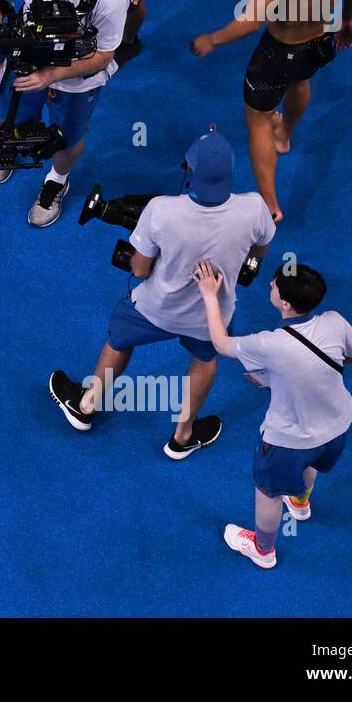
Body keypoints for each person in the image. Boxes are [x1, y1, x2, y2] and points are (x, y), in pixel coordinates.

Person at [48, 127, 275, 457]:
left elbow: (140, 270)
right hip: (211, 316)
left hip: (155, 308)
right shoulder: (255, 207)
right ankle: (182, 436)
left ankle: (85, 406)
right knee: (205, 359)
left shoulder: (161, 210)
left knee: (118, 340)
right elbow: (260, 250)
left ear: (190, 168)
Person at [190, 0, 352, 222]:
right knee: (300, 82)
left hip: (277, 55)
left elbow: (252, 21)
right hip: (319, 45)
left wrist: (213, 39)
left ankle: (271, 207)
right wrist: (346, 20)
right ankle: (284, 136)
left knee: (258, 121)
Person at [192, 260, 352, 569]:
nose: (270, 285)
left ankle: (263, 550)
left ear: (285, 303)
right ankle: (300, 504)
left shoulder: (269, 343)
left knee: (268, 493)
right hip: (338, 427)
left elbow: (220, 343)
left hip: (288, 441)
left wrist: (210, 295)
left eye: (274, 285)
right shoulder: (335, 321)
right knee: (312, 463)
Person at [0, 0, 129, 226]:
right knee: (8, 116)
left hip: (76, 76)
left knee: (67, 139)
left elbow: (104, 56)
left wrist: (51, 76)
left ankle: (56, 181)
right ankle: (8, 147)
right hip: (26, 58)